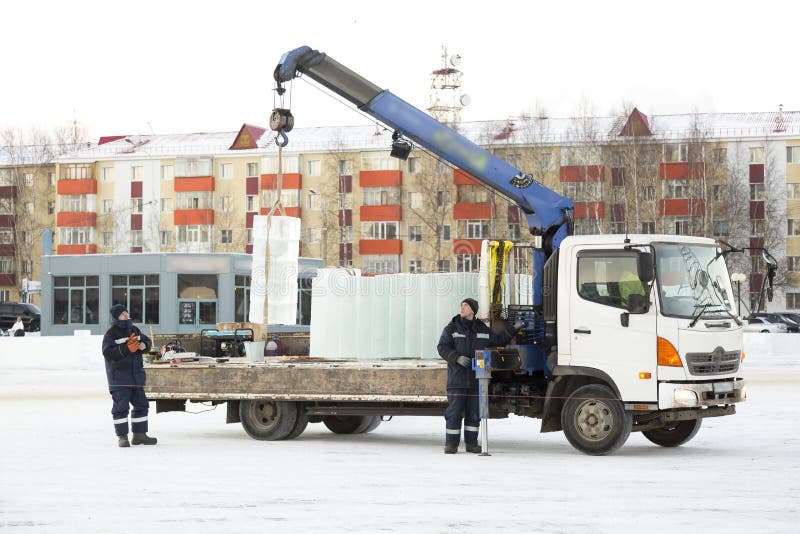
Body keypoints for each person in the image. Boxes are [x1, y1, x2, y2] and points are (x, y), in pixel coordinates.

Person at [437, 298, 518, 454]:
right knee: (454, 414)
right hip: (457, 380)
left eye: (466, 305)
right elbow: (442, 347)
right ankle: (451, 445)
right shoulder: (452, 328)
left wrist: (513, 329)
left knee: (474, 415)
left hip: (477, 380)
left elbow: (498, 340)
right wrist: (456, 357)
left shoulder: (482, 329)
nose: (462, 308)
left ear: (472, 310)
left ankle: (471, 444)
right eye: (461, 305)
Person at [101, 304, 157, 447]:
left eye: (127, 313)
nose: (126, 315)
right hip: (119, 379)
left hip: (136, 377)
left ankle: (140, 435)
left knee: (142, 405)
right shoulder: (111, 334)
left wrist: (144, 345)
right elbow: (108, 353)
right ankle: (122, 437)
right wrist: (126, 348)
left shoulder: (134, 329)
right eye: (122, 314)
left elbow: (147, 341)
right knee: (121, 408)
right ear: (116, 317)